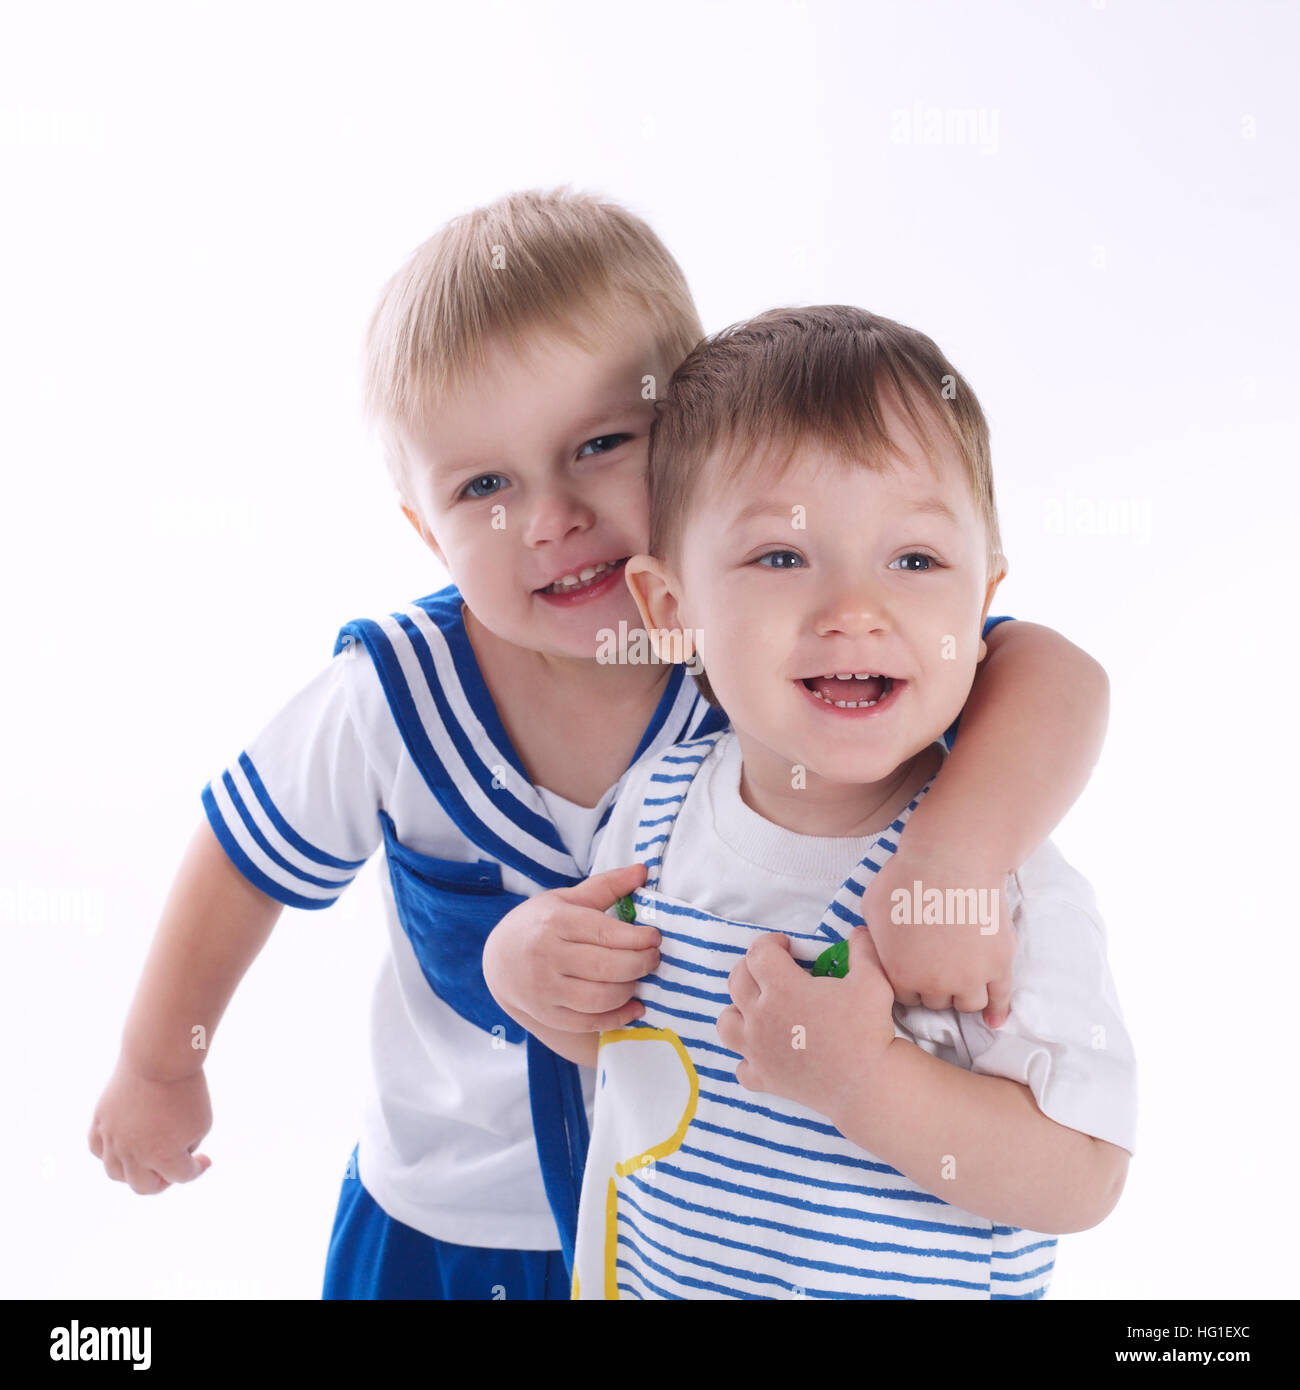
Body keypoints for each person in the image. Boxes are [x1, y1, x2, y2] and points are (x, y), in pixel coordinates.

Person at [88, 190, 1109, 1300]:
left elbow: (1049, 674)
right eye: (483, 486)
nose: (550, 516)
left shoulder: (769, 647)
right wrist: (159, 1062)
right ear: (424, 528)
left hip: (686, 1220)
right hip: (453, 1209)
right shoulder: (395, 694)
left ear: (692, 448)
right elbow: (243, 854)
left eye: (601, 445)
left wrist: (950, 862)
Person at [484, 305, 1135, 1300]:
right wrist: (527, 972)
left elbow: (1082, 1173)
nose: (853, 609)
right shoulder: (649, 812)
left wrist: (865, 1081)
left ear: (982, 599)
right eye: (781, 558)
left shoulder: (994, 886)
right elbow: (640, 1048)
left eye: (914, 561)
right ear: (670, 610)